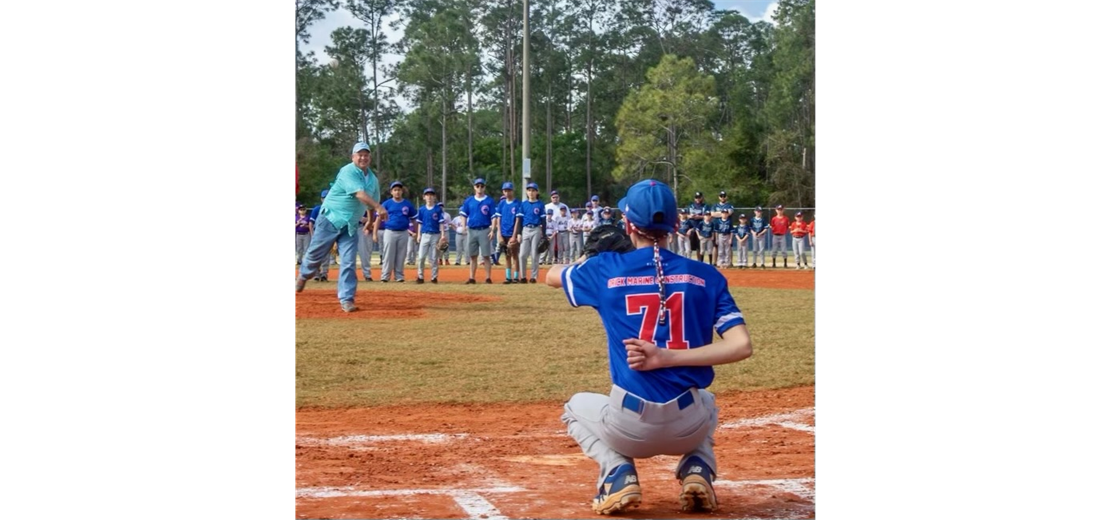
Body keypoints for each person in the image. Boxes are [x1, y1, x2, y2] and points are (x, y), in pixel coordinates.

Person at [545, 179, 752, 515]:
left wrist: (591, 257)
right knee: (707, 400)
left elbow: (551, 275)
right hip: (688, 426)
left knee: (574, 407)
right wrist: (671, 357)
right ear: (674, 225)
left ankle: (617, 471)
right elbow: (741, 345)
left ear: (628, 224)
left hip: (629, 427)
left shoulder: (604, 268)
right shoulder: (706, 274)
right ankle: (698, 468)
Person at [294, 142, 386, 312]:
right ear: (353, 157)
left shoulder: (373, 180)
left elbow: (372, 204)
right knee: (315, 255)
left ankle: (347, 299)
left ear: (370, 157)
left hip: (350, 226)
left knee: (349, 262)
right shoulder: (348, 171)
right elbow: (360, 194)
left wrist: (371, 220)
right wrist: (379, 208)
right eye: (360, 154)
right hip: (330, 218)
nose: (363, 157)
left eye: (366, 154)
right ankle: (303, 275)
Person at [374, 181, 417, 283]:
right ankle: (385, 276)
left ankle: (399, 276)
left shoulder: (407, 204)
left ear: (402, 191)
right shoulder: (387, 203)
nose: (397, 192)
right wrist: (375, 233)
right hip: (390, 231)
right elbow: (378, 219)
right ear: (391, 192)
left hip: (403, 232)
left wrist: (417, 233)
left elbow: (414, 219)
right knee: (388, 254)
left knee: (401, 255)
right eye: (395, 190)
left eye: (399, 190)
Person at [458, 178, 497, 284]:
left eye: (482, 186)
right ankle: (472, 278)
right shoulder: (469, 201)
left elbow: (494, 217)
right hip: (472, 229)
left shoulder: (489, 201)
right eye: (477, 186)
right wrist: (464, 226)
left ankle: (488, 278)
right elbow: (463, 214)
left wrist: (492, 230)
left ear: (484, 187)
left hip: (484, 229)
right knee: (472, 255)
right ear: (474, 187)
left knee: (486, 255)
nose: (480, 188)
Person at [414, 188, 448, 283]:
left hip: (435, 235)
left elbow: (441, 223)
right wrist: (418, 235)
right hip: (425, 234)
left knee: (434, 258)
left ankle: (434, 277)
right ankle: (420, 277)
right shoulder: (421, 209)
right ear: (424, 197)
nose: (429, 197)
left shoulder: (438, 209)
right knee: (421, 257)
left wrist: (442, 235)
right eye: (427, 195)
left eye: (431, 195)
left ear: (434, 197)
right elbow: (420, 223)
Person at [493, 182, 523, 283]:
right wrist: (499, 234)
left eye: (509, 190)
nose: (507, 193)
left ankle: (516, 277)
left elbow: (518, 221)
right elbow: (498, 220)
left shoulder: (517, 203)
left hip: (512, 233)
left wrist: (514, 236)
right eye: (505, 191)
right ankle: (508, 277)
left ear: (512, 191)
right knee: (507, 255)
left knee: (514, 255)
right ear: (503, 192)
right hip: (504, 233)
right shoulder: (502, 204)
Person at [516, 182, 546, 283]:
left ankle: (533, 277)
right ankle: (523, 276)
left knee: (534, 254)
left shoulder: (540, 204)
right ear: (526, 192)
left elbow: (543, 220)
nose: (531, 192)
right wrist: (519, 233)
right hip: (525, 229)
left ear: (537, 192)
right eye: (529, 190)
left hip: (536, 229)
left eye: (533, 190)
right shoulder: (523, 204)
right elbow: (519, 219)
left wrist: (544, 235)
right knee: (522, 255)